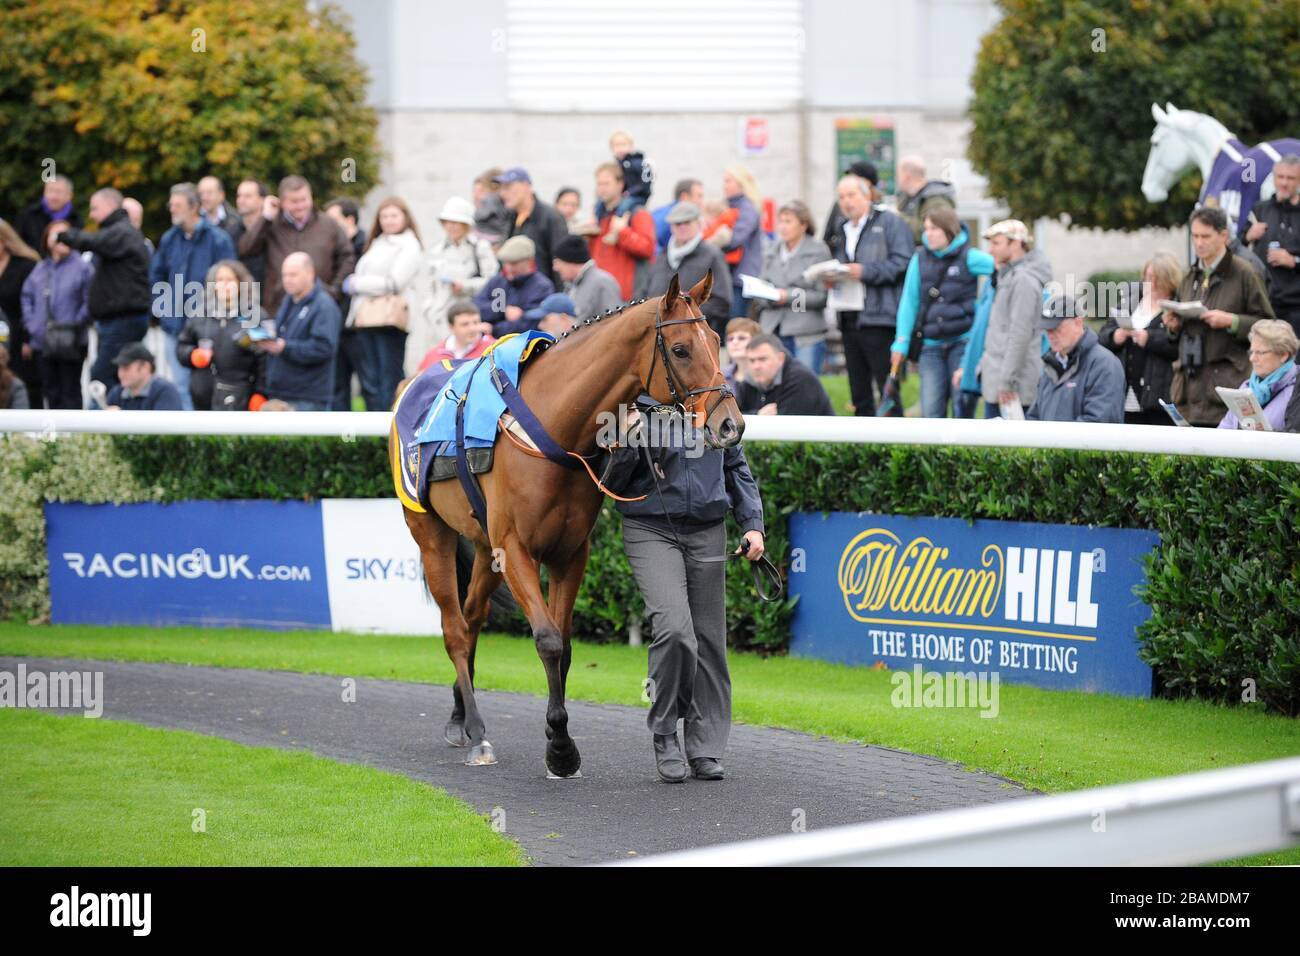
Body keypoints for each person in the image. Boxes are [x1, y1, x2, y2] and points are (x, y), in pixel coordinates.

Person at [599, 397, 766, 783]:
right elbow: (610, 484)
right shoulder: (627, 406)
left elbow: (736, 466)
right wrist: (626, 440)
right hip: (650, 528)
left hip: (708, 529)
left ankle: (704, 747)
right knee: (675, 631)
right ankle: (663, 731)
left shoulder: (714, 399)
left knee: (709, 640)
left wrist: (752, 523)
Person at [1167, 206, 1276, 426]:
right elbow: (1175, 337)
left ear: (1224, 236)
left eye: (1205, 236)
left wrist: (1232, 321)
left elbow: (1268, 326)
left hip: (1225, 394)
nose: (1199, 242)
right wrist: (1173, 325)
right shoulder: (1189, 277)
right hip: (1188, 394)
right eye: (1195, 236)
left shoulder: (1246, 272)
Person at [890, 207, 996, 417]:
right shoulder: (918, 259)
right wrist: (900, 342)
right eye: (926, 228)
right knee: (931, 412)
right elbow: (909, 303)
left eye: (934, 228)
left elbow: (1006, 271)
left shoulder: (970, 257)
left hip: (962, 344)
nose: (928, 233)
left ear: (949, 231)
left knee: (962, 408)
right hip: (930, 348)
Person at [832, 174, 914, 415]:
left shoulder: (890, 222)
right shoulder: (842, 229)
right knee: (859, 392)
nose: (846, 202)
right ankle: (864, 447)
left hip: (879, 317)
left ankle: (895, 446)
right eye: (841, 197)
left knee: (887, 388)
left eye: (851, 195)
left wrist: (866, 272)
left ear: (867, 195)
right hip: (849, 316)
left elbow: (904, 262)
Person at [150, 182, 237, 410]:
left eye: (177, 205)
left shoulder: (218, 239)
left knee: (207, 386)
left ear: (194, 207)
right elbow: (156, 276)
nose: (172, 209)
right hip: (174, 326)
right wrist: (164, 311)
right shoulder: (170, 238)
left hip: (207, 327)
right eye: (171, 205)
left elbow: (230, 277)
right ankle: (189, 441)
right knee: (180, 386)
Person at [56, 188, 152, 394]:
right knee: (116, 375)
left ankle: (103, 422)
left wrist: (64, 235)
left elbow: (93, 241)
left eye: (95, 208)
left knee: (102, 375)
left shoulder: (122, 232)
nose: (91, 214)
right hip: (116, 320)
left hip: (123, 320)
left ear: (109, 206)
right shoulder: (119, 232)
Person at [342, 197, 423, 411]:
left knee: (389, 378)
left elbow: (395, 282)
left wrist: (357, 284)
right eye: (384, 216)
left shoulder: (409, 245)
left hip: (390, 320)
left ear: (405, 217)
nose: (388, 220)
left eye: (394, 215)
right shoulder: (376, 243)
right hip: (366, 319)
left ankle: (393, 424)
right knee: (370, 381)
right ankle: (374, 428)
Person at [237, 175, 356, 316]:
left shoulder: (328, 224)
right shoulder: (271, 223)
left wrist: (334, 289)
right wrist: (265, 218)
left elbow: (347, 257)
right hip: (279, 306)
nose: (300, 206)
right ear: (282, 202)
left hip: (318, 306)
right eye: (294, 201)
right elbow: (246, 249)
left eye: (304, 199)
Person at [409, 197, 498, 376]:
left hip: (466, 317)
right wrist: (427, 309)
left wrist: (464, 285)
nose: (452, 227)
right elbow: (427, 286)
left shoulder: (479, 248)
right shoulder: (436, 251)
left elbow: (492, 282)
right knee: (437, 368)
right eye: (448, 222)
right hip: (437, 319)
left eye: (457, 223)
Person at [978, 219, 1053, 418]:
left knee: (1009, 448)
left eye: (996, 243)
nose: (990, 250)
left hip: (1012, 390)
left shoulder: (1024, 281)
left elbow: (1020, 334)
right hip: (1002, 384)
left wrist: (1006, 382)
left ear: (1016, 243)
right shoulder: (1008, 276)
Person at [1098, 252, 1182, 424]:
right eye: (1148, 276)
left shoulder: (1176, 307)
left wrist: (1149, 339)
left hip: (1159, 395)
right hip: (1125, 391)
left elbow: (1178, 345)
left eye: (1156, 278)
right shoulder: (1132, 302)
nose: (1151, 283)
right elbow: (1103, 337)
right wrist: (1117, 336)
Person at [20, 220, 93, 409]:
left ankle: (75, 436)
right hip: (43, 341)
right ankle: (55, 436)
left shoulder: (83, 267)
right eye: (56, 234)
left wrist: (76, 324)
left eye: (65, 234)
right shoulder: (40, 268)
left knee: (71, 391)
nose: (61, 239)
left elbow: (90, 299)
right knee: (50, 392)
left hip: (71, 340)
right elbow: (26, 297)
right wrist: (33, 326)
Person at [257, 252, 342, 411]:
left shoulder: (324, 306)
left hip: (308, 396)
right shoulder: (288, 301)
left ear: (310, 273)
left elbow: (323, 348)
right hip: (281, 392)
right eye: (284, 275)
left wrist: (285, 347)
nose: (287, 280)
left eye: (293, 275)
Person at [176, 259, 263, 411]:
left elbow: (265, 359)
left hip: (240, 399)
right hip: (203, 399)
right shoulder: (200, 314)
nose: (224, 285)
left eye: (229, 280)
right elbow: (181, 346)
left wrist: (261, 393)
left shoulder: (255, 316)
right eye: (220, 280)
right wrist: (191, 355)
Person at [756, 201, 831, 374]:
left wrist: (787, 297)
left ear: (803, 224)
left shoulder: (818, 251)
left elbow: (821, 297)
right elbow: (760, 289)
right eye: (780, 222)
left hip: (806, 333)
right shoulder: (770, 251)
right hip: (772, 330)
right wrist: (770, 297)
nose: (782, 227)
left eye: (788, 221)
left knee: (805, 388)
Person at [636, 202, 732, 336]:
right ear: (671, 228)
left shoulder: (712, 255)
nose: (682, 227)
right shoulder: (661, 257)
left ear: (698, 224)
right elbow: (645, 293)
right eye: (677, 224)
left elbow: (722, 302)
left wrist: (682, 314)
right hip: (657, 334)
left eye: (687, 223)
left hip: (695, 338)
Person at [1026, 296, 1125, 423]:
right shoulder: (1051, 365)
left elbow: (1099, 423)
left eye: (1056, 328)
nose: (1050, 335)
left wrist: (1053, 440)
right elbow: (1034, 416)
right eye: (1047, 329)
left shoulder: (1105, 365)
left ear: (1078, 322)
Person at [1245, 154, 1300, 336]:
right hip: (1264, 304)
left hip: (1296, 308)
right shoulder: (1260, 210)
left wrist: (1293, 261)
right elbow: (1235, 247)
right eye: (1280, 177)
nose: (1284, 183)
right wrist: (1248, 235)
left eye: (1290, 178)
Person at [323, 196, 369, 411]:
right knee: (338, 384)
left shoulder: (367, 245)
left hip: (360, 325)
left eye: (334, 219)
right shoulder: (332, 248)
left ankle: (377, 435)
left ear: (350, 220)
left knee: (369, 383)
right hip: (337, 324)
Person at [590, 162, 656, 302]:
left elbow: (648, 248)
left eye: (606, 184)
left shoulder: (637, 213)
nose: (601, 188)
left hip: (626, 299)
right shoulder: (598, 216)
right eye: (599, 184)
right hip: (600, 295)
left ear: (620, 184)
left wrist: (622, 232)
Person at [1218, 320, 1297, 431]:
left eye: (1260, 352)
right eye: (1251, 352)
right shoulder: (1246, 387)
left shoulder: (1296, 392)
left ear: (1283, 355)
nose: (1252, 359)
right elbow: (1224, 430)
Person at [496, 167, 568, 287]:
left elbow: (561, 263)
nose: (503, 193)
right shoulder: (510, 218)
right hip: (515, 294)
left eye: (508, 187)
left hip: (542, 295)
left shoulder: (550, 218)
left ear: (526, 186)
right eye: (501, 188)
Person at [473, 235, 554, 335]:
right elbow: (475, 307)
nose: (509, 268)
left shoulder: (542, 287)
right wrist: (502, 310)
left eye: (514, 263)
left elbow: (530, 324)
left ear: (530, 261)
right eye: (506, 263)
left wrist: (493, 329)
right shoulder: (498, 281)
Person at [735, 333, 834, 416]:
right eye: (752, 360)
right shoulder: (750, 379)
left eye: (762, 359)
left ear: (780, 358)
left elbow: (786, 427)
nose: (756, 366)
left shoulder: (800, 378)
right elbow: (732, 418)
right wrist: (758, 415)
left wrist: (754, 417)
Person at [0, 218, 41, 407]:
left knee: (24, 382)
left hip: (21, 335)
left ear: (5, 240)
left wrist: (29, 338)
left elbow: (35, 304)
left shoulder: (26, 266)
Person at [720, 167, 764, 318]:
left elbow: (735, 239)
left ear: (741, 183)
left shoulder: (747, 208)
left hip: (742, 278)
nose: (724, 185)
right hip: (732, 275)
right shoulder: (731, 206)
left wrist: (714, 240)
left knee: (736, 323)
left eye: (728, 181)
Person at [553, 235, 621, 321]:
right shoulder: (571, 284)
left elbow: (614, 322)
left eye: (558, 263)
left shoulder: (603, 283)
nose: (555, 268)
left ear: (571, 261)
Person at [418, 298, 496, 371]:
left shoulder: (493, 349)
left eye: (476, 322)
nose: (472, 328)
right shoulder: (433, 356)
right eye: (465, 324)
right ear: (451, 327)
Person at [895, 155, 958, 244]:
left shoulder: (936, 200)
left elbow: (931, 233)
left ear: (906, 176)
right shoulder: (907, 198)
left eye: (898, 175)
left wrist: (897, 218)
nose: (897, 180)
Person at [823, 161, 878, 260]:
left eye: (851, 195)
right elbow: (827, 237)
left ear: (868, 182)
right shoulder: (839, 205)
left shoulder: (881, 211)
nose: (846, 201)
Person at [15, 174, 83, 253]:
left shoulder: (76, 220)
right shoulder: (29, 215)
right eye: (50, 191)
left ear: (69, 196)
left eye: (58, 192)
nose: (53, 196)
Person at [104, 343, 183, 410]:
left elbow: (163, 426)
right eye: (119, 368)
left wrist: (120, 420)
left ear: (145, 367)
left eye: (126, 368)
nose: (121, 373)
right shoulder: (116, 392)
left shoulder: (166, 392)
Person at [607, 130, 654, 215]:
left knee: (624, 205)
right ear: (612, 148)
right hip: (625, 195)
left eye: (623, 144)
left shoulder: (639, 162)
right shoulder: (617, 165)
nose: (620, 148)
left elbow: (646, 183)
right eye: (617, 145)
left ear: (631, 146)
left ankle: (618, 221)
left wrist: (630, 192)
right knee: (603, 202)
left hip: (639, 196)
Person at [652, 179, 704, 254]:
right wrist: (666, 259)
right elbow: (651, 244)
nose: (702, 202)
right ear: (684, 197)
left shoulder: (665, 211)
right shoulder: (669, 217)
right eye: (699, 196)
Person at [234, 179, 269, 284]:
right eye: (239, 196)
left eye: (247, 196)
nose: (241, 200)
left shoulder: (273, 230)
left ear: (262, 200)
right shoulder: (231, 232)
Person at [472, 168, 514, 246]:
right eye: (474, 191)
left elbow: (480, 215)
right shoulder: (508, 204)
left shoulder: (491, 199)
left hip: (490, 239)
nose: (476, 196)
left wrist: (475, 216)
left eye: (482, 190)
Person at [198, 176, 243, 245]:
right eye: (201, 193)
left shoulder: (236, 219)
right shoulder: (192, 219)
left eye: (209, 193)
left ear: (221, 195)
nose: (204, 197)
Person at [722, 317, 761, 390]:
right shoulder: (720, 376)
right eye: (730, 339)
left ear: (756, 342)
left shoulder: (766, 376)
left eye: (742, 338)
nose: (734, 342)